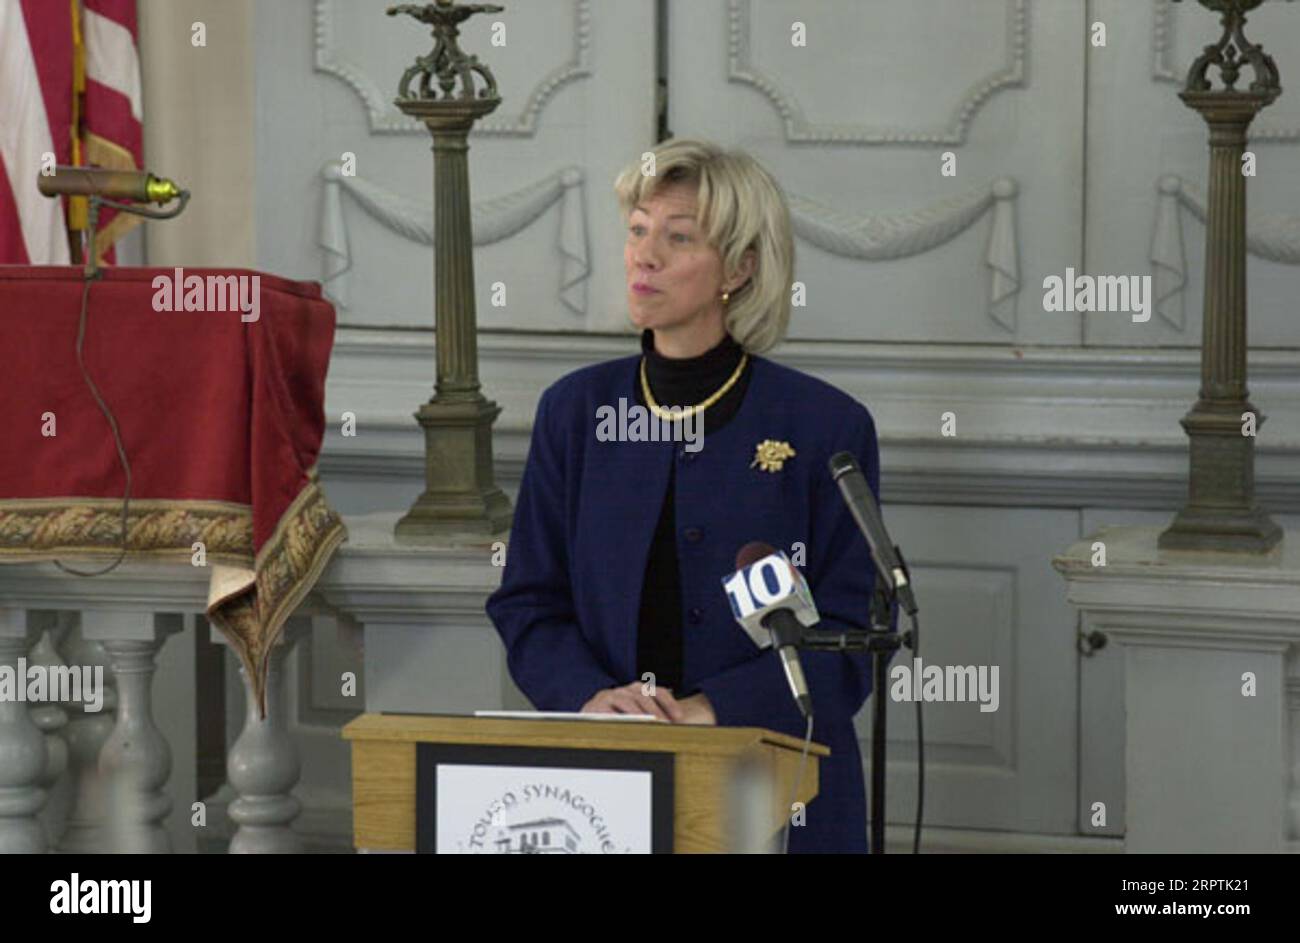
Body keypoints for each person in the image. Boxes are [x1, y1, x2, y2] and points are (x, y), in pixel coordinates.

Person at [485, 138, 887, 853]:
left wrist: (712, 709)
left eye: (678, 238)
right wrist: (588, 697)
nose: (646, 256)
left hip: (775, 786)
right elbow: (529, 603)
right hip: (606, 785)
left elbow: (854, 636)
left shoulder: (825, 426)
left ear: (740, 266)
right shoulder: (574, 412)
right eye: (638, 231)